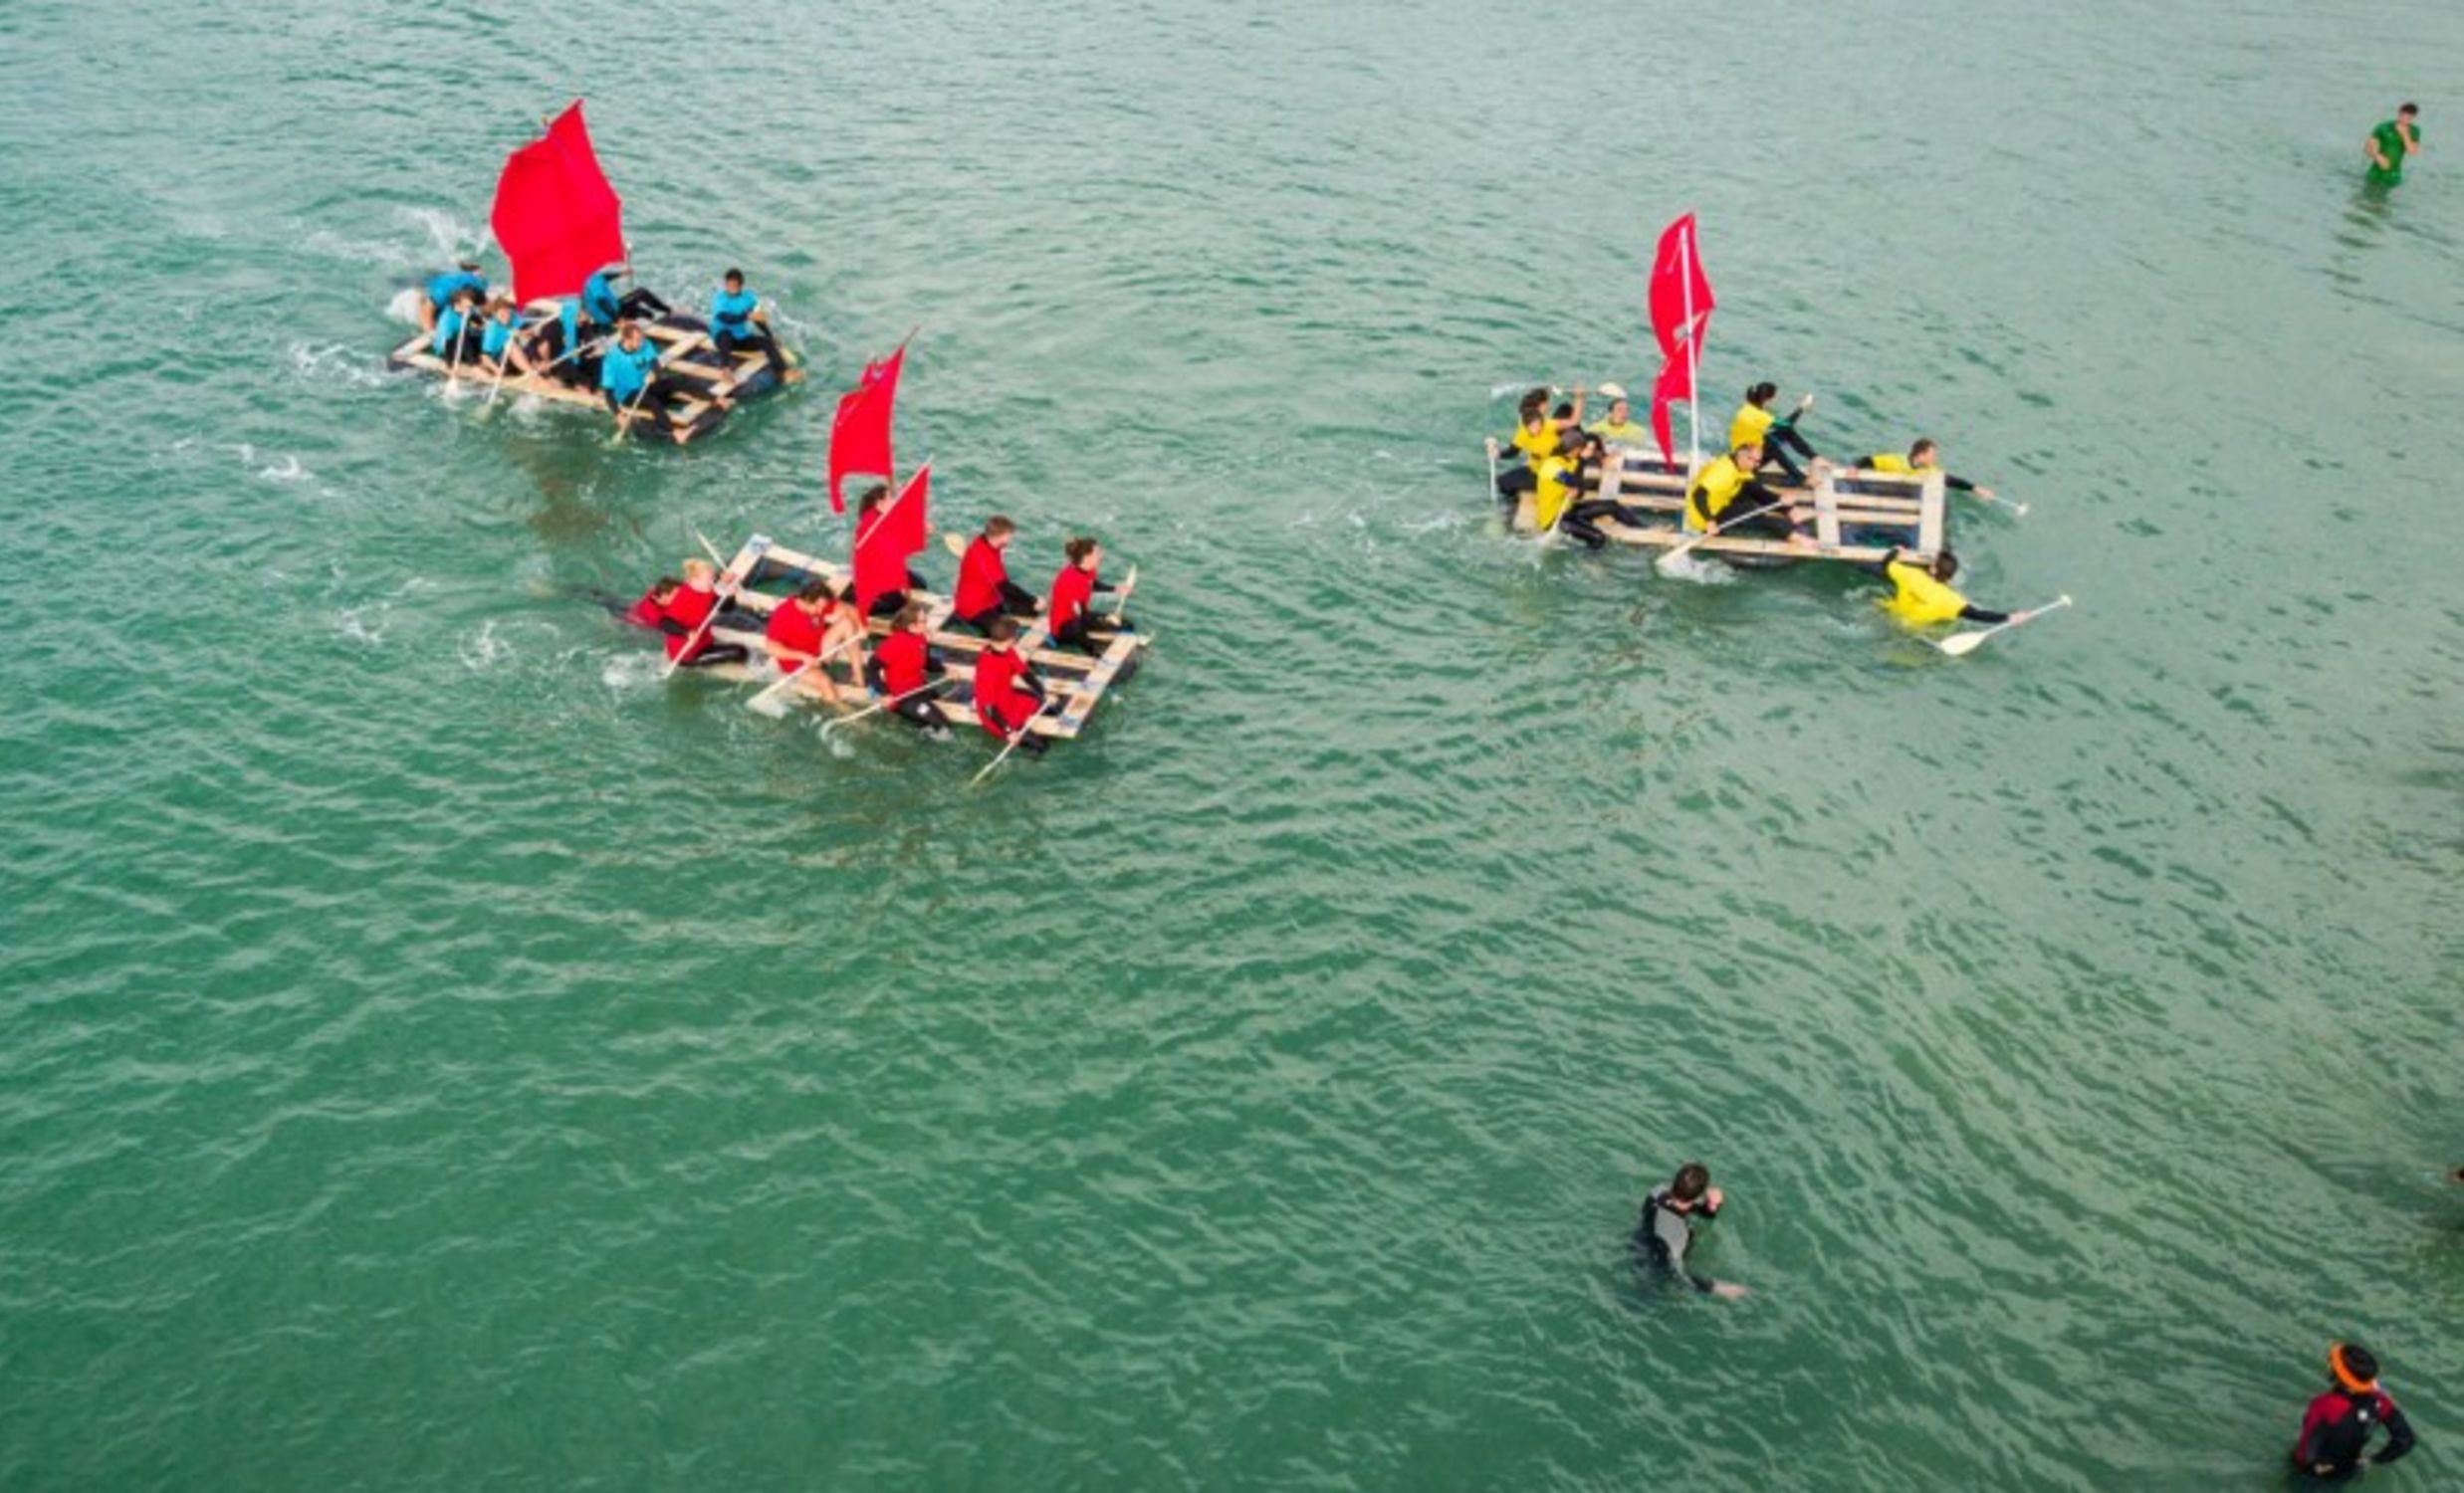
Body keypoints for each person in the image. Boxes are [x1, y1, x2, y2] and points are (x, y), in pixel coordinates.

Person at [2291, 1342, 2416, 1481]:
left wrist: (2309, 1468)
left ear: (2340, 1375)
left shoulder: (2324, 1405)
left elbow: (2305, 1450)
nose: (2329, 1366)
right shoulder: (2381, 1402)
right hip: (2349, 1469)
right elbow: (2406, 1439)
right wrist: (2373, 1460)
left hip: (2316, 1473)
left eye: (2332, 1365)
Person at [1631, 1162, 1746, 1298]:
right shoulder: (1679, 1235)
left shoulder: (1658, 1191)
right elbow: (1678, 1276)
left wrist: (1712, 1206)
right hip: (1654, 1269)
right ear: (1699, 1196)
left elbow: (1688, 1203)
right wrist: (1718, 1288)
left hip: (1637, 1242)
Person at [600, 320, 728, 443]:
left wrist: (654, 373)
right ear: (626, 340)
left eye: (641, 339)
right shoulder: (612, 360)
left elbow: (655, 364)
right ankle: (674, 433)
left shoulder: (645, 344)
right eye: (638, 340)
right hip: (628, 394)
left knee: (676, 382)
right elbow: (608, 393)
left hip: (647, 384)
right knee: (653, 402)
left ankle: (714, 398)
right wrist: (618, 415)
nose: (641, 342)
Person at [763, 578, 865, 704]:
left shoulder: (819, 603)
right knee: (825, 683)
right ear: (805, 600)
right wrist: (803, 656)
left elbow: (850, 610)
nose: (821, 611)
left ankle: (858, 677)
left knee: (847, 623)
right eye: (818, 607)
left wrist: (861, 627)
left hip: (819, 652)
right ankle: (841, 712)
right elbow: (771, 648)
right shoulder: (783, 614)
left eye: (823, 607)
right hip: (798, 663)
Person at [1485, 386, 1589, 510]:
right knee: (1502, 482)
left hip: (1553, 473)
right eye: (1530, 426)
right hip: (1536, 470)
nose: (1534, 429)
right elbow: (1513, 451)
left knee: (1572, 485)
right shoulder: (1523, 430)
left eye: (1537, 425)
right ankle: (1511, 509)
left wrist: (1579, 398)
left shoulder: (1549, 425)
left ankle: (1572, 494)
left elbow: (1574, 421)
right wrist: (1498, 454)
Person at [864, 601, 953, 734]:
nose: (927, 623)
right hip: (901, 696)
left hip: (919, 687)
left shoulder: (921, 637)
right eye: (924, 621)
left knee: (941, 707)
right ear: (912, 626)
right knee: (943, 727)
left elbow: (925, 661)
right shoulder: (894, 644)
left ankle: (919, 726)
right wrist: (884, 694)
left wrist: (945, 669)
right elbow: (872, 668)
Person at [1686, 441, 1800, 542]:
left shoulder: (1737, 463)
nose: (1758, 465)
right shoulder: (1722, 474)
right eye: (1755, 461)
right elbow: (1698, 494)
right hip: (1706, 514)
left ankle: (1787, 510)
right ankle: (1789, 533)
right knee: (1749, 509)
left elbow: (1760, 491)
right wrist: (1709, 521)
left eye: (1758, 461)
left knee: (1753, 486)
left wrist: (1780, 500)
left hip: (1723, 496)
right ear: (1744, 457)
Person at [1554, 432, 1650, 550]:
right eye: (1587, 448)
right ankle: (1591, 559)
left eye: (1592, 449)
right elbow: (1576, 488)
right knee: (1598, 536)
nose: (1589, 452)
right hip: (1565, 513)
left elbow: (1578, 489)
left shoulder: (1580, 460)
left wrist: (1602, 457)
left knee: (1612, 505)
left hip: (1573, 506)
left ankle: (1643, 530)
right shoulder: (1572, 462)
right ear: (1579, 448)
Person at [1873, 545, 2011, 626]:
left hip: (1894, 617)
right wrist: (2008, 617)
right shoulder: (1952, 600)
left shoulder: (1911, 574)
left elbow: (1886, 563)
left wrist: (1896, 550)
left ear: (1933, 569)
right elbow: (1978, 615)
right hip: (1921, 630)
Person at [972, 616, 1050, 755]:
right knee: (1042, 746)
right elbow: (988, 708)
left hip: (1009, 699)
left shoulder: (1007, 651)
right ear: (1010, 640)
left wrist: (1043, 692)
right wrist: (1008, 732)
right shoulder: (987, 667)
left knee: (1047, 706)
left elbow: (1025, 673)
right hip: (997, 715)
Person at [853, 484, 933, 617]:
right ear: (879, 504)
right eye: (891, 498)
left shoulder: (882, 518)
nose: (894, 502)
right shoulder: (870, 526)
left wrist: (922, 530)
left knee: (920, 583)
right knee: (896, 603)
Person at [656, 558, 750, 668]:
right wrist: (686, 633)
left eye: (712, 578)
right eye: (709, 579)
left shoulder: (704, 588)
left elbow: (727, 608)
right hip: (688, 654)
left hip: (704, 641)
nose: (712, 582)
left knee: (740, 646)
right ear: (694, 579)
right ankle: (738, 670)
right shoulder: (683, 599)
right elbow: (664, 622)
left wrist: (729, 594)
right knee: (740, 652)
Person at [953, 517, 1041, 633]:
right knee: (1005, 631)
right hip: (974, 608)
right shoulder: (983, 557)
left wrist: (1030, 603)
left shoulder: (986, 542)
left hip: (992, 597)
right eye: (1009, 535)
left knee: (1030, 610)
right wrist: (1033, 599)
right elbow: (1004, 587)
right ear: (1000, 536)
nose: (1010, 539)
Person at [1048, 536, 1135, 652]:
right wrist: (1107, 621)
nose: (1102, 555)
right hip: (1064, 628)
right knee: (1078, 629)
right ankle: (1092, 652)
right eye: (1097, 553)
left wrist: (1116, 589)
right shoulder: (1069, 580)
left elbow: (1092, 584)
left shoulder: (1088, 569)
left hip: (1080, 616)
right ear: (1087, 557)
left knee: (1127, 626)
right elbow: (1082, 615)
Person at [1859, 438, 1997, 503]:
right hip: (1880, 492)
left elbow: (1951, 480)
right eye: (1932, 456)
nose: (1935, 459)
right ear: (1921, 455)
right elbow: (1867, 461)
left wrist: (1976, 489)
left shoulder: (1930, 470)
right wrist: (1853, 468)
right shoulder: (1895, 460)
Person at [1730, 382, 1820, 481]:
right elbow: (1787, 425)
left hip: (1741, 452)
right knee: (1772, 445)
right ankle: (1802, 479)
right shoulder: (1759, 416)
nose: (1775, 401)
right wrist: (1802, 407)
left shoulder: (1748, 408)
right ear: (1767, 399)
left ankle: (1813, 457)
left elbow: (1783, 427)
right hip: (1746, 462)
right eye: (1774, 398)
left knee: (1779, 436)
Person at [709, 268, 790, 374]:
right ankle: (725, 368)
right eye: (729, 285)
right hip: (722, 340)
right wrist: (748, 316)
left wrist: (770, 335)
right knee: (725, 334)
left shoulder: (748, 297)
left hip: (741, 339)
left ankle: (784, 371)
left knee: (767, 342)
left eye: (735, 286)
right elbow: (726, 318)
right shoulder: (719, 298)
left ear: (741, 285)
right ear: (725, 284)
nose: (731, 289)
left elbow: (757, 319)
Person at [582, 259, 670, 331]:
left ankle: (647, 322)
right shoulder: (593, 281)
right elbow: (601, 301)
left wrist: (622, 273)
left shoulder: (593, 277)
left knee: (644, 312)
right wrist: (617, 319)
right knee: (641, 293)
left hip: (611, 310)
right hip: (610, 316)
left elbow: (605, 277)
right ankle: (668, 311)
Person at [422, 256, 486, 333]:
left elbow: (485, 304)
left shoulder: (477, 285)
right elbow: (427, 308)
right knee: (427, 305)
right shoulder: (443, 294)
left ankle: (465, 266)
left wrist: (486, 321)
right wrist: (430, 331)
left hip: (459, 278)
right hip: (433, 280)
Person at [475, 294, 535, 379]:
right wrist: (497, 370)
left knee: (535, 339)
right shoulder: (493, 330)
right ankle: (531, 372)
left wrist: (523, 333)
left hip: (514, 360)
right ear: (495, 314)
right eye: (502, 314)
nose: (506, 316)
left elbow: (529, 329)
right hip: (499, 363)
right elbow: (484, 357)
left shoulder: (513, 317)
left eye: (507, 312)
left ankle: (534, 367)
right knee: (509, 344)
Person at [2366, 103, 2421, 187]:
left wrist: (2405, 134)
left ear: (2413, 118)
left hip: (2394, 174)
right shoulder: (2383, 127)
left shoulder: (2414, 130)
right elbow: (2367, 147)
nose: (2405, 120)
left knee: (2386, 199)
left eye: (2409, 118)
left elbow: (2412, 152)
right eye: (2403, 116)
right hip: (2375, 172)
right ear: (2399, 113)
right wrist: (2377, 156)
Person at [429, 288, 484, 365]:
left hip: (462, 344)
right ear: (457, 305)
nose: (470, 309)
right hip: (446, 350)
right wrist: (449, 363)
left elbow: (478, 321)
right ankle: (473, 362)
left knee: (479, 333)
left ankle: (483, 357)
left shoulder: (467, 311)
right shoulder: (448, 319)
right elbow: (446, 344)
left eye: (470, 306)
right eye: (467, 306)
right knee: (461, 335)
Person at [1586, 384, 1650, 449]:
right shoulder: (1597, 428)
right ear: (1610, 413)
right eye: (1619, 410)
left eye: (1627, 410)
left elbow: (1638, 448)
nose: (1624, 413)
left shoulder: (1637, 431)